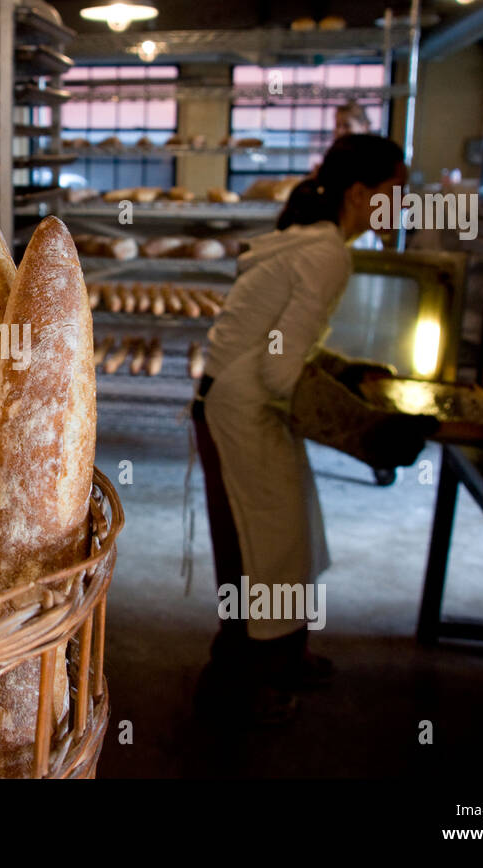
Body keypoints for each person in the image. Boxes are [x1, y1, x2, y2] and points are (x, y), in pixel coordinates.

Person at [192, 134, 431, 724]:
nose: (404, 204)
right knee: (259, 554)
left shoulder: (316, 241)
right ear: (358, 194)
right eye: (394, 191)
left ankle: (284, 659)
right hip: (239, 412)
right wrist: (365, 431)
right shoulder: (326, 253)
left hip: (242, 402)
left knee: (291, 541)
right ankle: (235, 688)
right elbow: (279, 370)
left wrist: (343, 371)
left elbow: (280, 350)